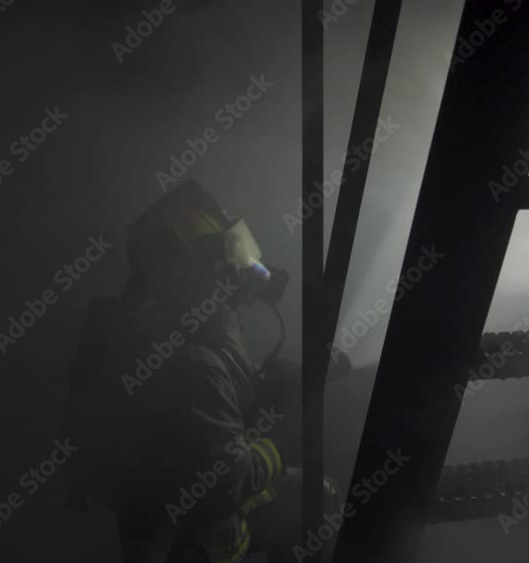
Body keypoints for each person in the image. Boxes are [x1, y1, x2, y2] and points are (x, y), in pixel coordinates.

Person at [59, 180, 340, 563]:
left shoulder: (166, 330)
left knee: (312, 495)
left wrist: (268, 388)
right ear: (203, 271)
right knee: (317, 499)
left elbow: (207, 421)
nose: (243, 267)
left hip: (166, 515)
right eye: (230, 253)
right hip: (192, 540)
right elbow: (227, 482)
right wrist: (286, 437)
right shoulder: (194, 363)